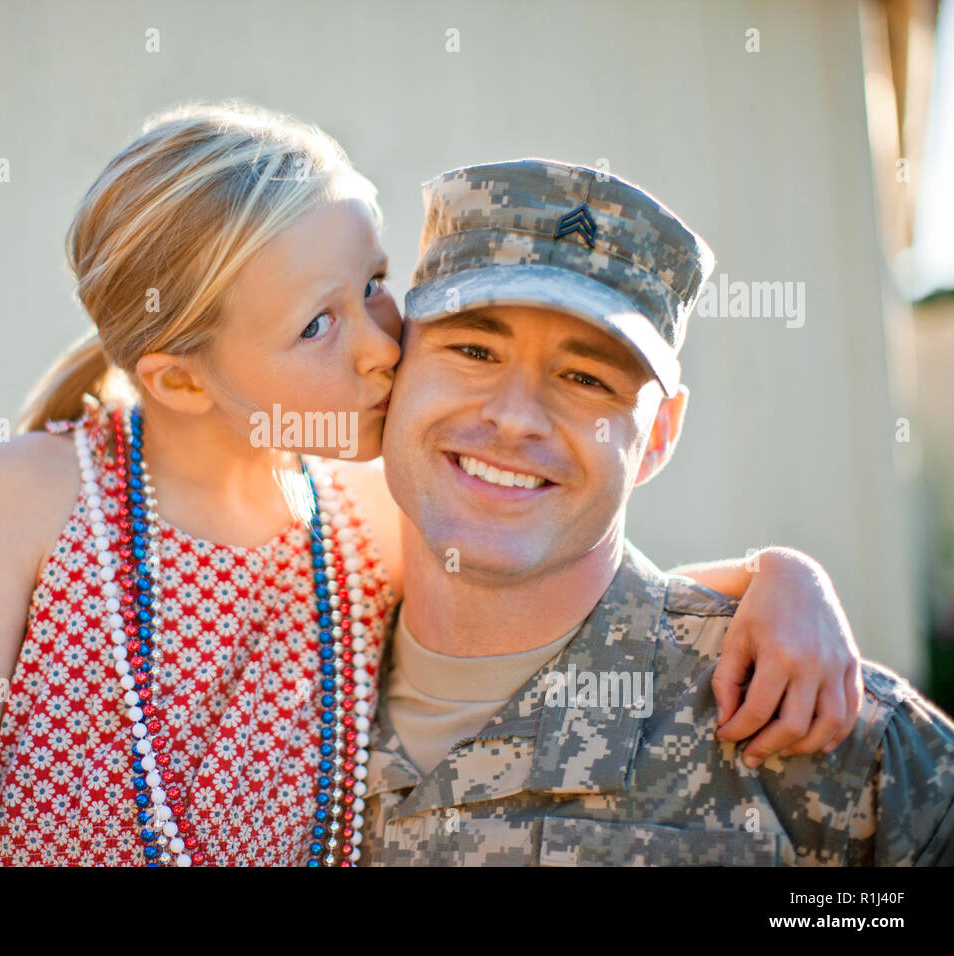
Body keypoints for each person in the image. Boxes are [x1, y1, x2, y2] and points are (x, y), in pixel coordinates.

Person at [0, 102, 860, 868]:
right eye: (318, 324)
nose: (385, 345)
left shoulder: (363, 509)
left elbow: (562, 593)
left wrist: (779, 576)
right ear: (175, 377)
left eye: (377, 286)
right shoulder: (34, 494)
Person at [366, 157, 954, 866]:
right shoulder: (283, 691)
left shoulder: (817, 730)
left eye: (586, 377)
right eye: (473, 349)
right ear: (393, 368)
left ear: (660, 436)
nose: (517, 418)